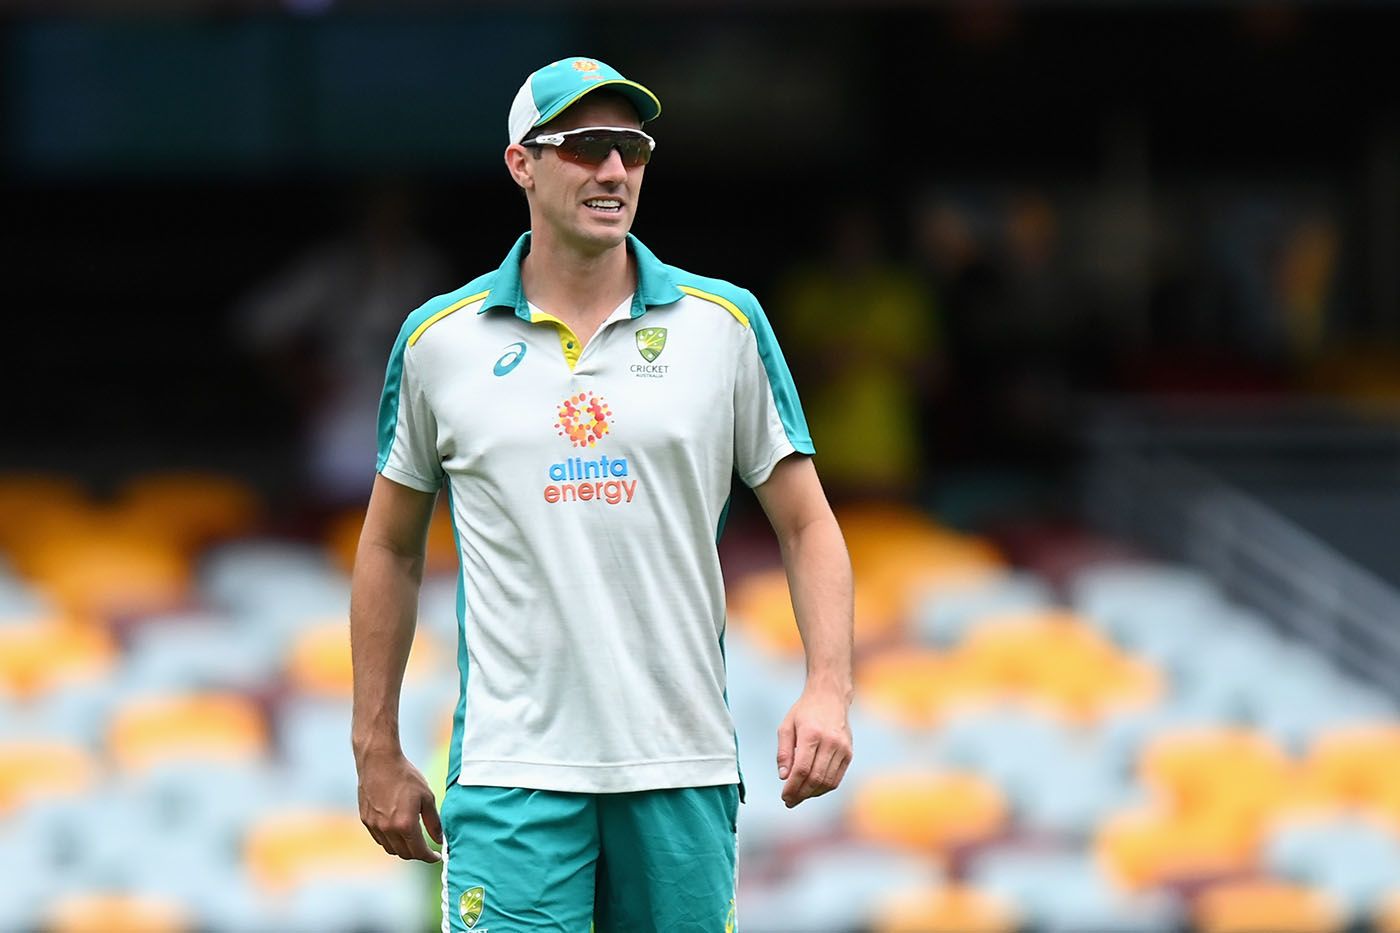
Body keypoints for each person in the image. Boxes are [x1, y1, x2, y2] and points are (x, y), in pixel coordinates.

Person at [350, 57, 854, 932]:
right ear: (522, 164)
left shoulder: (724, 325)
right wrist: (375, 745)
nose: (614, 170)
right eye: (584, 147)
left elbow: (808, 523)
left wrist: (830, 689)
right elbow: (390, 547)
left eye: (631, 148)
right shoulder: (439, 341)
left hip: (683, 765)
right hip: (512, 773)